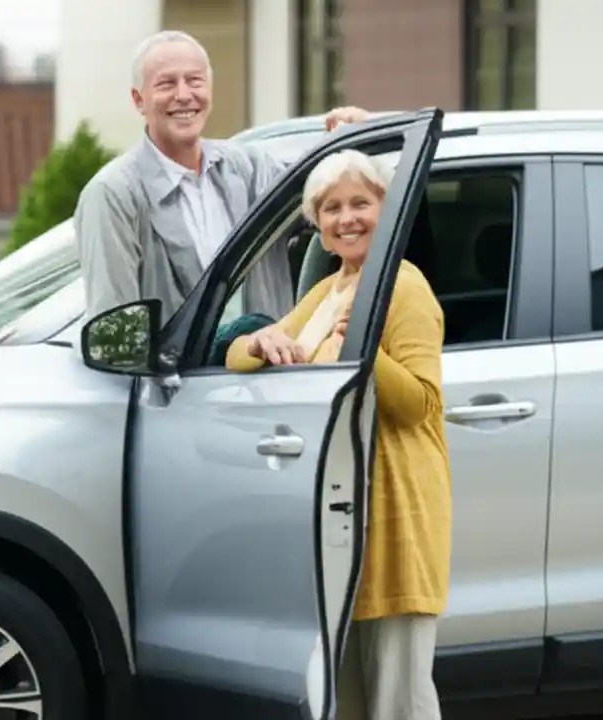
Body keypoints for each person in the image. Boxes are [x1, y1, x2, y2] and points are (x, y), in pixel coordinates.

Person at [225, 149, 452, 720]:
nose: (346, 217)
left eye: (361, 203)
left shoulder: (403, 286)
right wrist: (260, 345)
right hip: (343, 515)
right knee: (342, 696)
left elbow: (420, 405)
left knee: (398, 700)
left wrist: (368, 352)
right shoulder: (328, 292)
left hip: (395, 513)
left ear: (387, 210)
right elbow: (235, 357)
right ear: (319, 229)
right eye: (331, 208)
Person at [74, 29, 371, 322]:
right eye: (166, 84)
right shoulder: (113, 194)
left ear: (210, 90)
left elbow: (330, 201)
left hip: (273, 368)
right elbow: (114, 328)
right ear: (138, 100)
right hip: (181, 372)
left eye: (194, 81)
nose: (183, 95)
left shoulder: (251, 167)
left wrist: (358, 139)